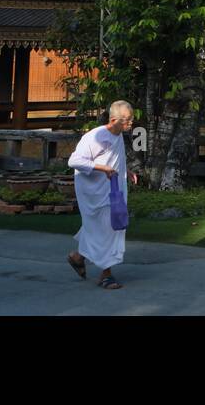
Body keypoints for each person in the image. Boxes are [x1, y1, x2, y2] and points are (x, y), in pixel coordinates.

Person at [66, 100, 138, 289]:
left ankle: (77, 257)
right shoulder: (95, 136)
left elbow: (115, 158)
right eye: (127, 120)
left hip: (113, 189)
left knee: (101, 227)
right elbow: (74, 161)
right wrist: (102, 167)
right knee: (109, 229)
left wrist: (126, 170)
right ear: (113, 119)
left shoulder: (118, 134)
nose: (130, 123)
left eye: (131, 119)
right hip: (95, 191)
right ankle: (106, 275)